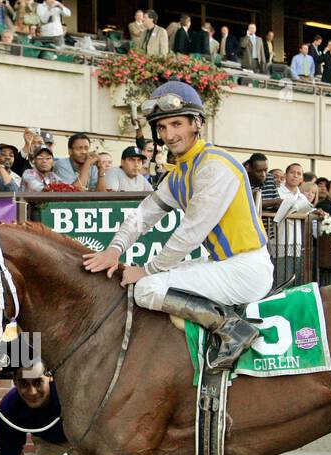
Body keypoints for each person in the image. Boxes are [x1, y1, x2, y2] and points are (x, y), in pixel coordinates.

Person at [82, 81, 273, 368]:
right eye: (162, 128)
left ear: (196, 123)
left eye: (176, 124)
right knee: (153, 281)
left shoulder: (215, 166)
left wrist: (146, 270)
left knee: (147, 288)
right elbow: (142, 216)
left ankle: (233, 330)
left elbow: (190, 234)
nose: (169, 135)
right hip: (224, 263)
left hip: (246, 270)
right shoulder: (181, 172)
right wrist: (113, 250)